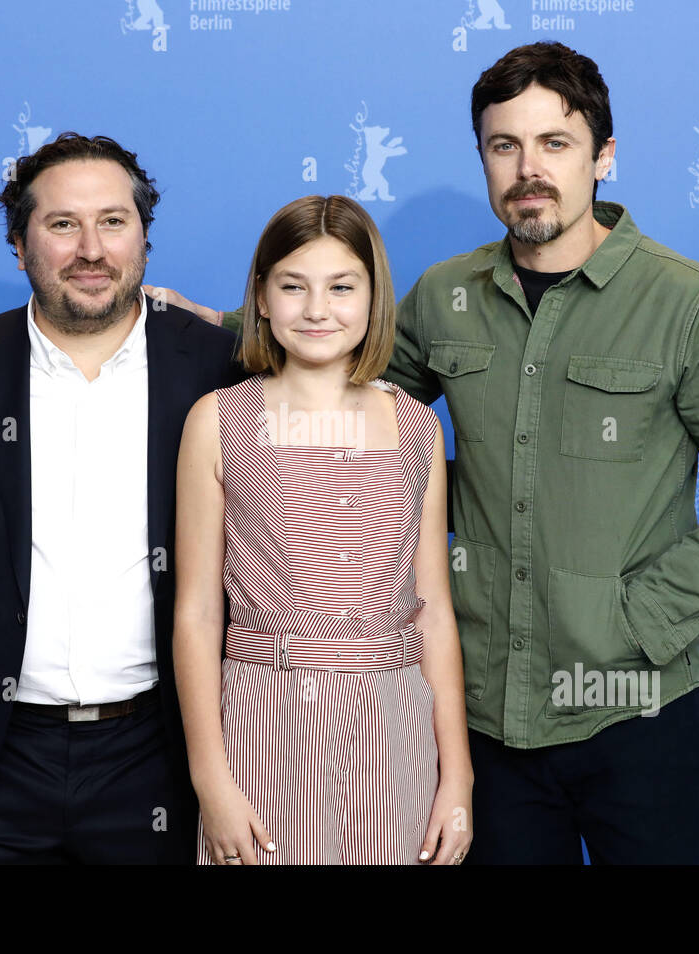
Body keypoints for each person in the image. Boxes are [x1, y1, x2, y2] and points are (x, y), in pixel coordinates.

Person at [150, 42, 699, 864]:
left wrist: (645, 617)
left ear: (604, 155)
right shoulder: (447, 296)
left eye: (555, 144)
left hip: (637, 712)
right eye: (505, 146)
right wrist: (217, 324)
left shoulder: (690, 303)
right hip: (488, 726)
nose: (528, 169)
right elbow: (335, 393)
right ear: (484, 160)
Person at [0, 132, 243, 863]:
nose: (91, 248)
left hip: (159, 758)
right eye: (63, 224)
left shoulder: (217, 368)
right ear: (20, 243)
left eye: (114, 222)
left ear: (145, 240)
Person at [172, 195, 473, 865]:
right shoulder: (217, 422)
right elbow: (196, 613)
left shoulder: (417, 425)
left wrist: (459, 776)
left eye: (342, 287)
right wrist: (210, 779)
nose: (316, 309)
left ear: (374, 298)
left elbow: (435, 616)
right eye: (292, 286)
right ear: (260, 296)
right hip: (262, 714)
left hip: (395, 720)